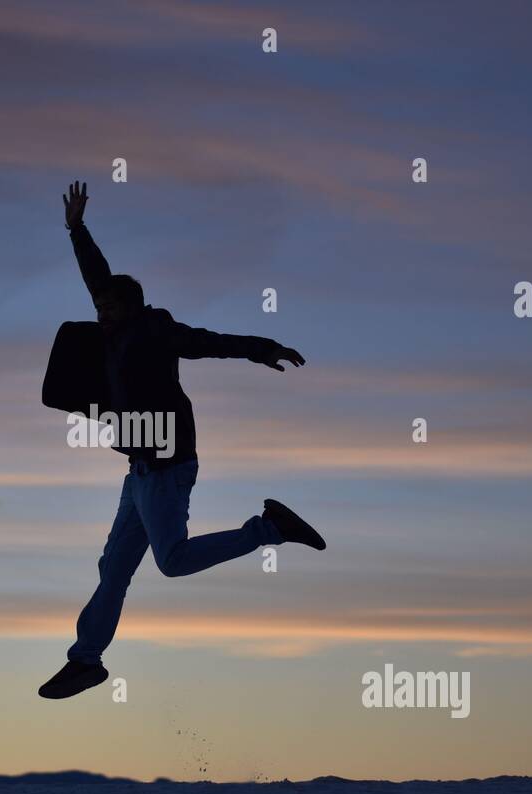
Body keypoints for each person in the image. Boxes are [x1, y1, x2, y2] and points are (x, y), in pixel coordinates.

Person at [38, 181, 326, 699]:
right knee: (114, 569)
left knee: (171, 561)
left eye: (108, 309)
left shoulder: (154, 331)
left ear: (131, 308)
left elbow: (206, 342)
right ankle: (85, 661)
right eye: (99, 308)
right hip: (140, 470)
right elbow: (97, 277)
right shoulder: (117, 328)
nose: (100, 315)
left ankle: (269, 530)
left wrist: (262, 348)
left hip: (167, 466)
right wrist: (77, 228)